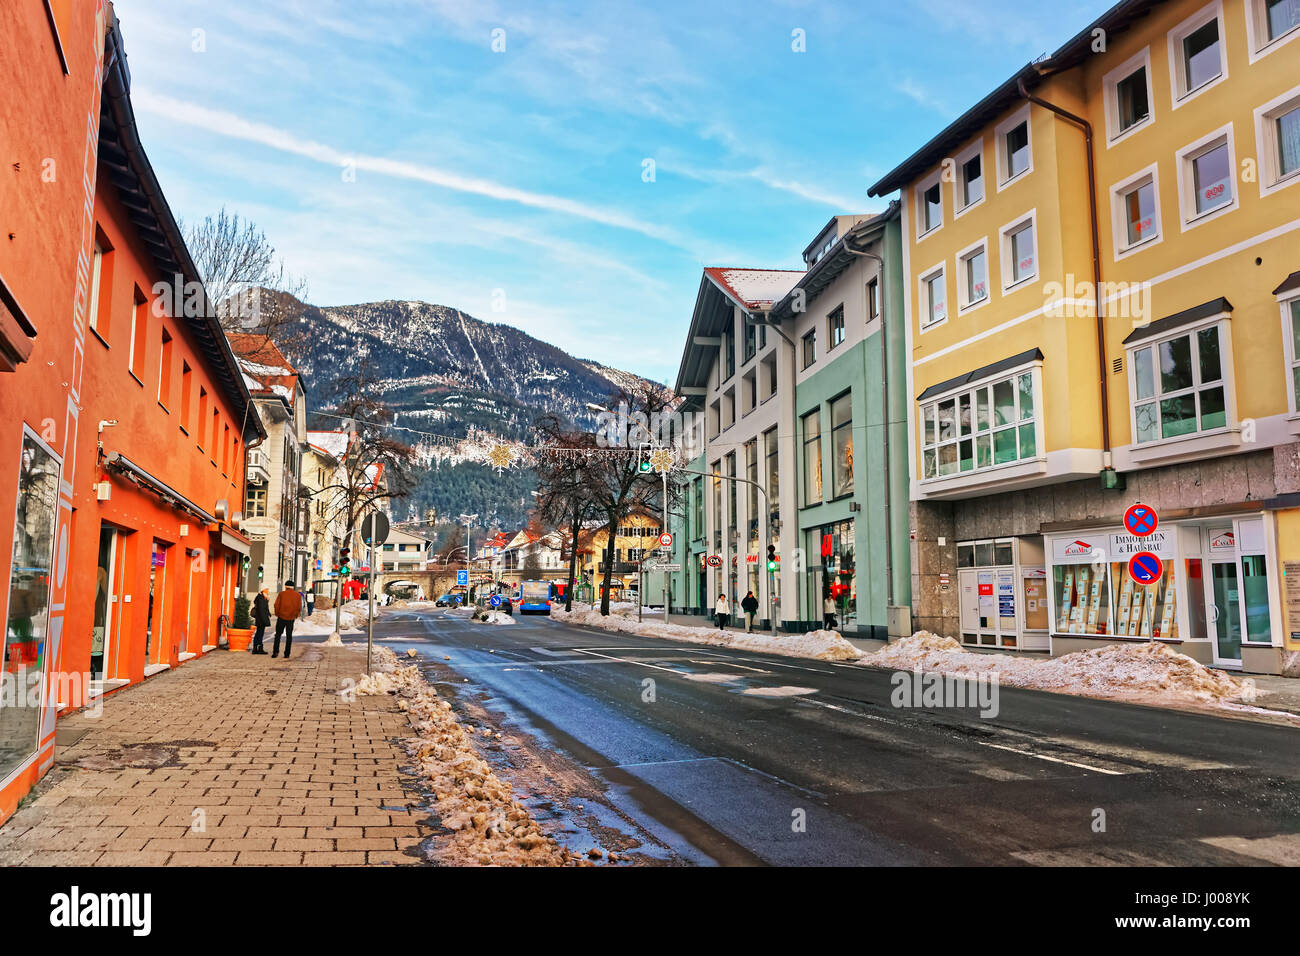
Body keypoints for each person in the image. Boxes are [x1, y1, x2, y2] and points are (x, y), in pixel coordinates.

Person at [272, 580, 302, 659]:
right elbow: (299, 607)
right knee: (289, 636)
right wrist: (295, 615)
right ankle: (287, 653)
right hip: (291, 618)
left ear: (285, 586)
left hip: (281, 617)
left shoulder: (281, 594)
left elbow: (276, 605)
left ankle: (275, 652)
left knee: (278, 635)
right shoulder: (298, 595)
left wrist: (277, 613)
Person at [251, 587, 271, 655]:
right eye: (267, 590)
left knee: (258, 633)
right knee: (260, 633)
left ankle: (255, 648)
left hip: (260, 619)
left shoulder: (261, 598)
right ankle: (259, 649)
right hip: (261, 619)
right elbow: (262, 610)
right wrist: (265, 620)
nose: (268, 591)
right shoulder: (261, 598)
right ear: (263, 590)